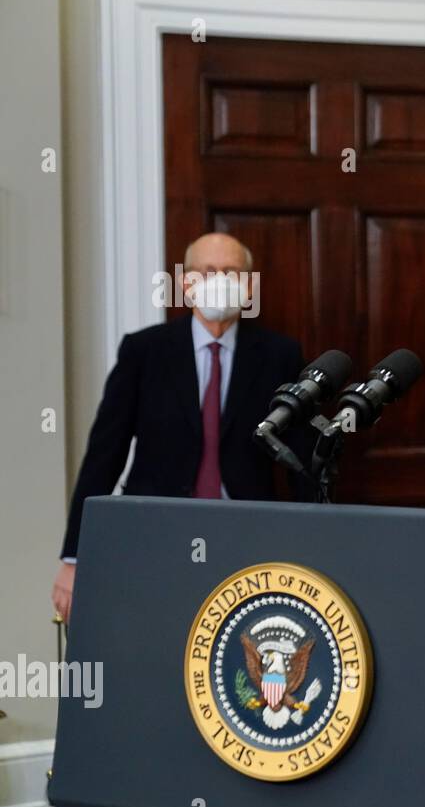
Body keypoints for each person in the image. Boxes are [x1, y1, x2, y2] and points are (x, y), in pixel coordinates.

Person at [51, 232, 307, 622]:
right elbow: (105, 454)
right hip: (156, 533)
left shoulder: (279, 355)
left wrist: (315, 543)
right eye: (207, 271)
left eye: (231, 272)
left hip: (248, 536)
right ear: (186, 284)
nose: (219, 280)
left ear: (249, 286)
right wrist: (74, 556)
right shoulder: (144, 351)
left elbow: (301, 456)